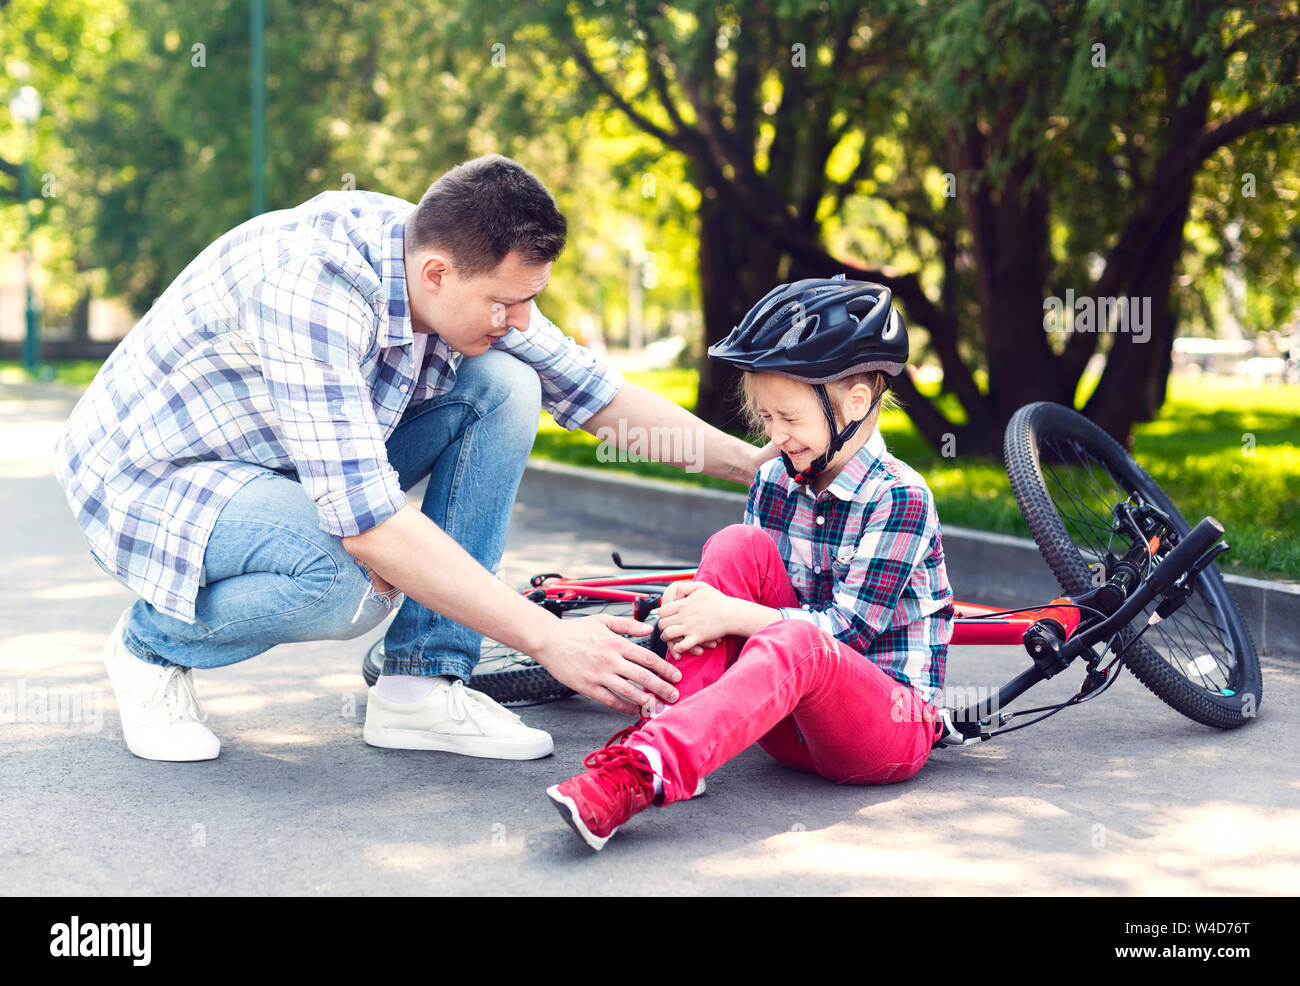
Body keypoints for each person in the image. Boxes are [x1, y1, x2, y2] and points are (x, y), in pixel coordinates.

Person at [53, 154, 773, 763]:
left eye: (530, 301)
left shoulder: (455, 259)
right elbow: (367, 526)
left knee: (509, 384)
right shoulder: (314, 289)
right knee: (346, 580)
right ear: (436, 275)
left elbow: (593, 396)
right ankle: (150, 646)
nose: (521, 320)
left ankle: (418, 688)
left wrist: (761, 467)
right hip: (160, 475)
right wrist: (552, 640)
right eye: (506, 304)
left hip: (280, 457)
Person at [546, 277, 955, 850]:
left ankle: (643, 771)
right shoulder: (774, 477)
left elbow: (848, 633)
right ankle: (667, 727)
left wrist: (730, 615)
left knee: (800, 642)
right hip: (786, 726)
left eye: (789, 419)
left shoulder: (900, 498)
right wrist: (700, 607)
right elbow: (745, 595)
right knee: (737, 545)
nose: (775, 436)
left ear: (856, 405)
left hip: (882, 728)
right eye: (765, 419)